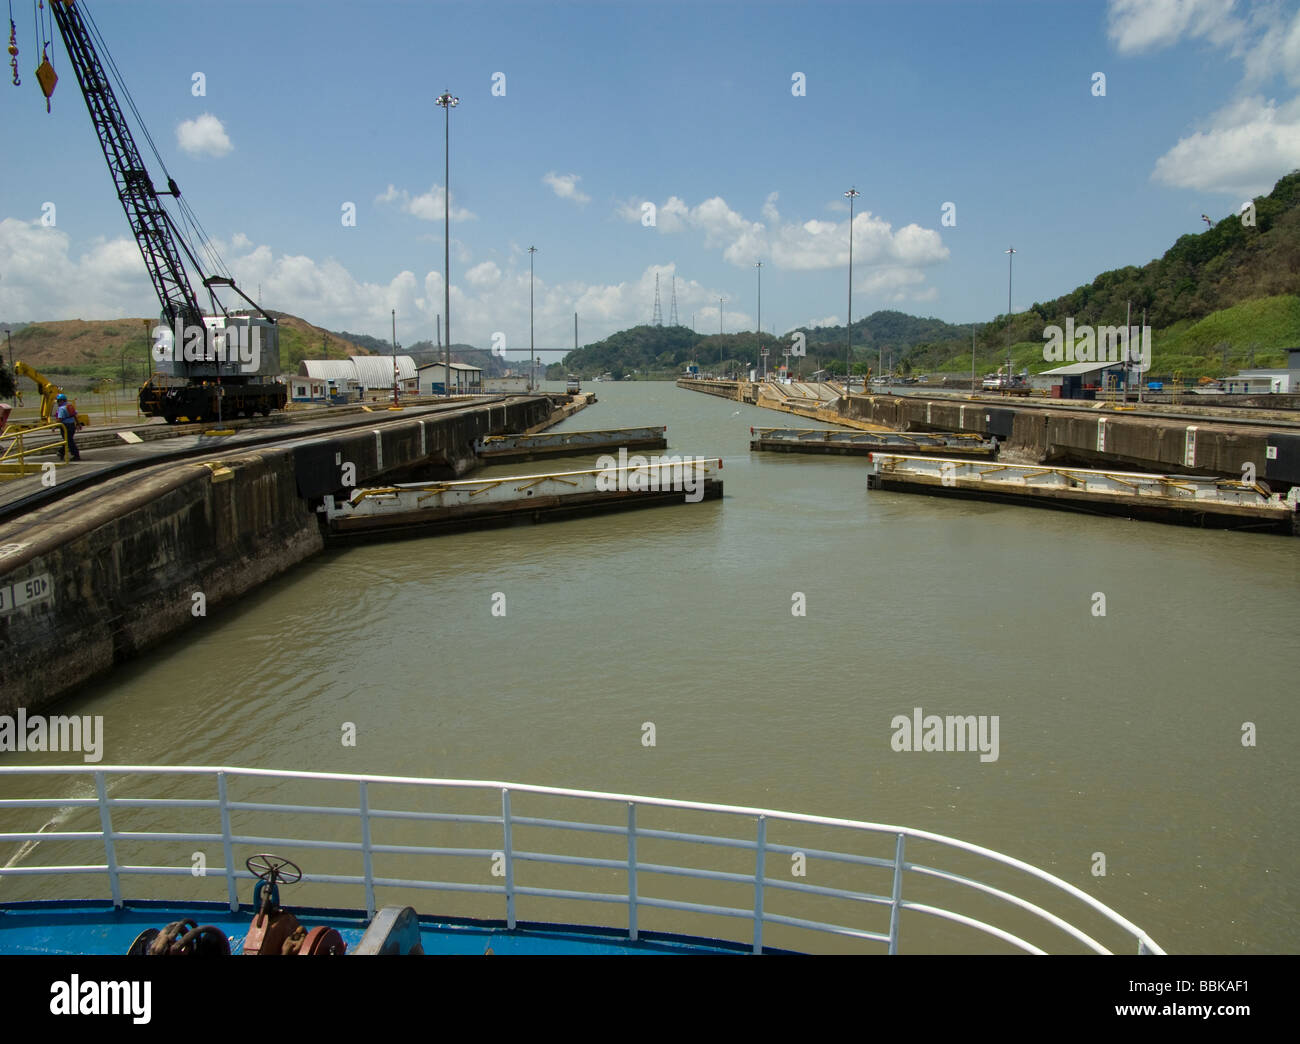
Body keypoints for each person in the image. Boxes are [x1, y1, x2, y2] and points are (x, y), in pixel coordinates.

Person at [55, 393, 81, 461]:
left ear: (62, 401)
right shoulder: (70, 406)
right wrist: (78, 424)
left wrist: (54, 426)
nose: (57, 403)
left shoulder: (61, 408)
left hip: (65, 427)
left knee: (69, 441)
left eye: (58, 401)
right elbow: (75, 415)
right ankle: (61, 452)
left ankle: (76, 455)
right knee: (68, 440)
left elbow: (59, 419)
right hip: (72, 426)